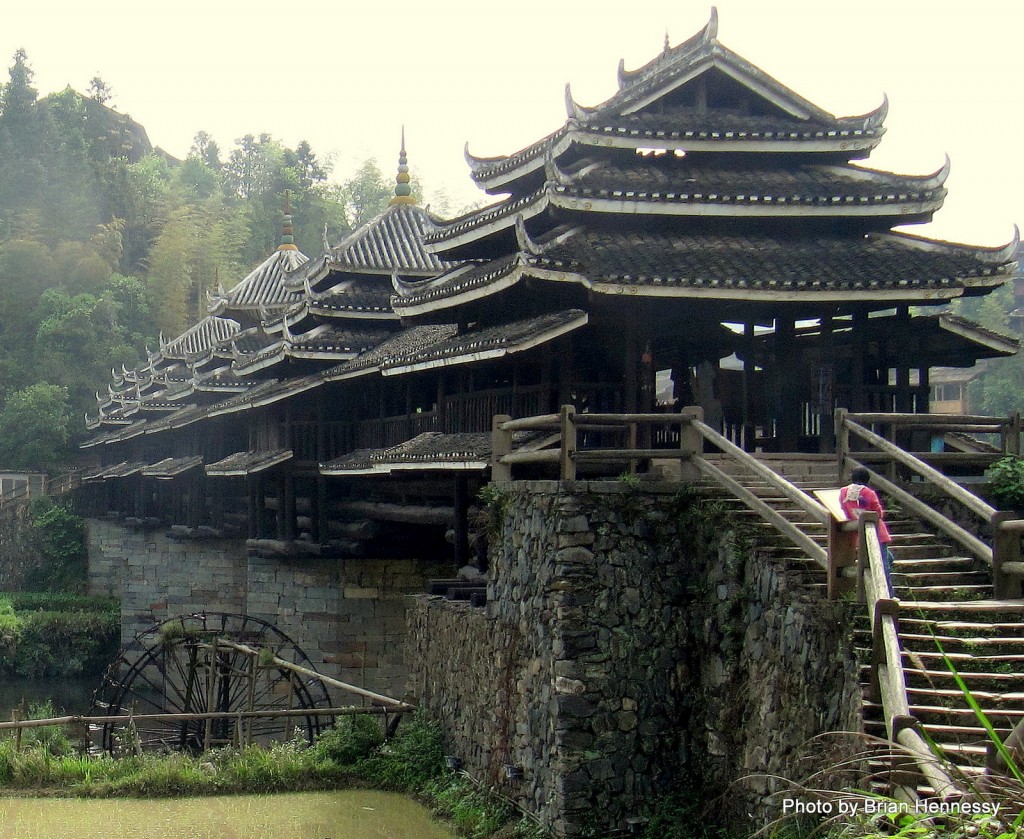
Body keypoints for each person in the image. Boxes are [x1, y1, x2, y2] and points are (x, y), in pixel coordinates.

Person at [840, 467, 895, 578]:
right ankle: (887, 592)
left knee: (887, 558)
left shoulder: (843, 492)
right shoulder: (869, 493)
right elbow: (878, 513)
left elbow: (844, 508)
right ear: (867, 480)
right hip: (878, 531)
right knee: (884, 563)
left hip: (859, 532)